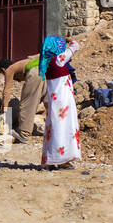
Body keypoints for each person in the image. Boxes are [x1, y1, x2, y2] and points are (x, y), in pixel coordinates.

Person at [38, 36, 81, 169]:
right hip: (63, 101)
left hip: (55, 102)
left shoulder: (47, 62)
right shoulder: (59, 60)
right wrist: (69, 39)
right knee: (64, 127)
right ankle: (62, 160)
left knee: (54, 127)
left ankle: (51, 159)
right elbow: (75, 46)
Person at [0, 54, 42, 144]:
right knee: (48, 101)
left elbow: (7, 91)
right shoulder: (23, 63)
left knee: (25, 105)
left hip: (34, 73)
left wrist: (4, 109)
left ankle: (24, 134)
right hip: (44, 71)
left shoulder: (9, 70)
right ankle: (57, 130)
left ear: (3, 69)